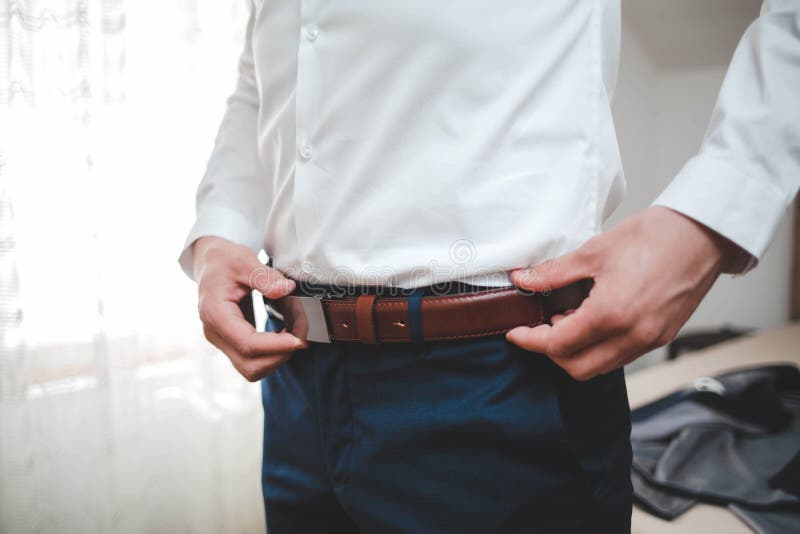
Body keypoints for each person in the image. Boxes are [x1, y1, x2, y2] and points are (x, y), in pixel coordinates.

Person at [179, 1, 800, 532]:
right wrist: (219, 234)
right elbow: (259, 84)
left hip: (499, 376)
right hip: (295, 377)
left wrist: (709, 220)